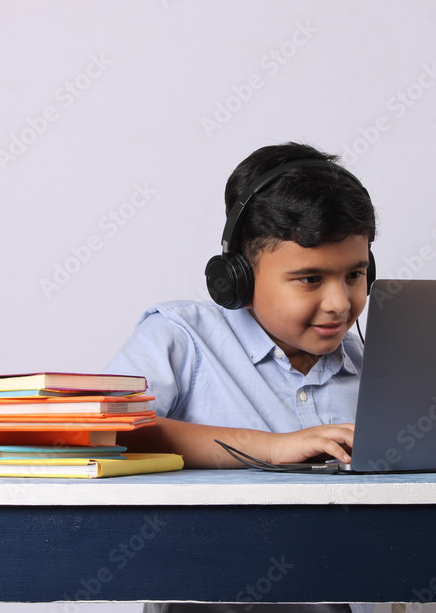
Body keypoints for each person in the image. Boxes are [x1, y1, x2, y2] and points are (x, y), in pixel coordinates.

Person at [103, 140, 376, 470]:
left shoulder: (373, 365)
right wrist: (271, 448)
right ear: (239, 278)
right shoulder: (180, 337)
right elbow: (106, 428)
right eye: (310, 279)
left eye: (354, 275)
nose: (339, 303)